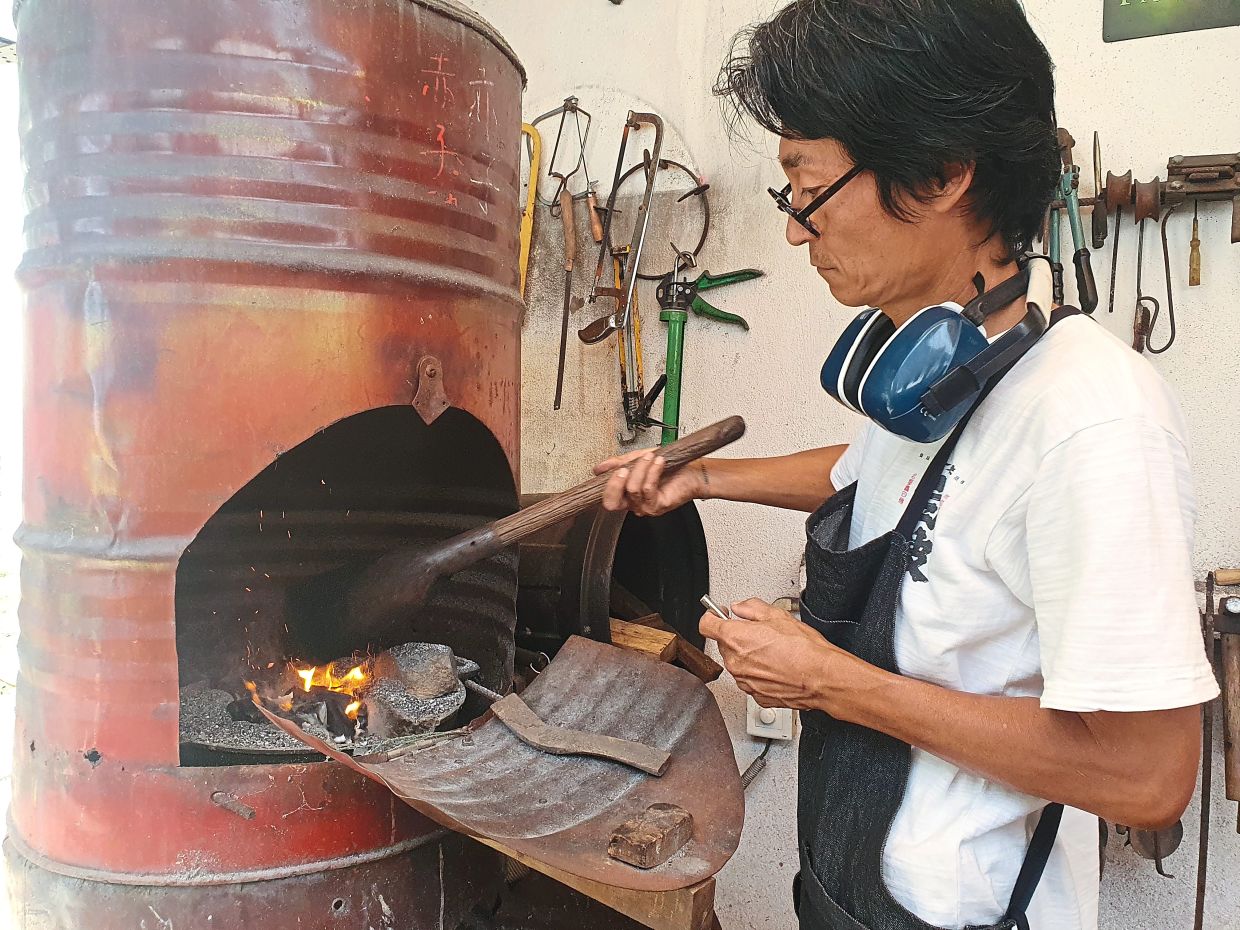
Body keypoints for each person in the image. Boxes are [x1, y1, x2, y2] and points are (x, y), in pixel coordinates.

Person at [594, 2, 1218, 929]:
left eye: (806, 188)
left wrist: (827, 679)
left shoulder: (1089, 416)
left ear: (941, 174)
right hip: (850, 894)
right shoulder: (949, 373)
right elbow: (882, 475)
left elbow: (1149, 774)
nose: (798, 232)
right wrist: (708, 478)